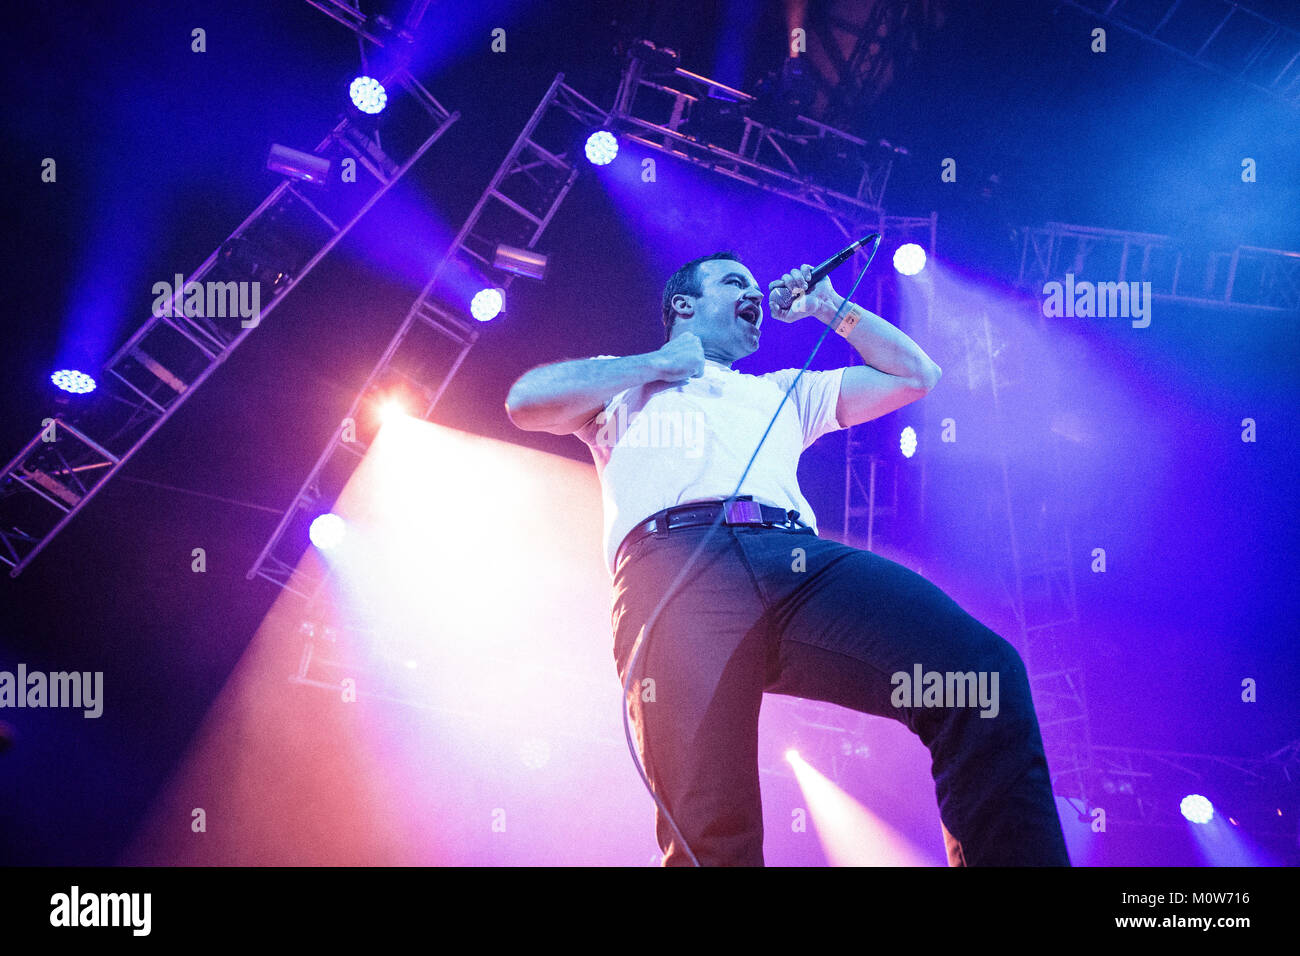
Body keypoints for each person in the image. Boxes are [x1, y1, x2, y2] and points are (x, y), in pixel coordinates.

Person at [505, 251, 1071, 866]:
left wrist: (829, 307)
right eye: (733, 281)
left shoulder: (780, 391)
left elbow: (915, 375)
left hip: (793, 559)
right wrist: (663, 362)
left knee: (978, 676)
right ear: (684, 306)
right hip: (674, 564)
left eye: (754, 282)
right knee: (710, 822)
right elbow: (526, 401)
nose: (754, 291)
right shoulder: (625, 385)